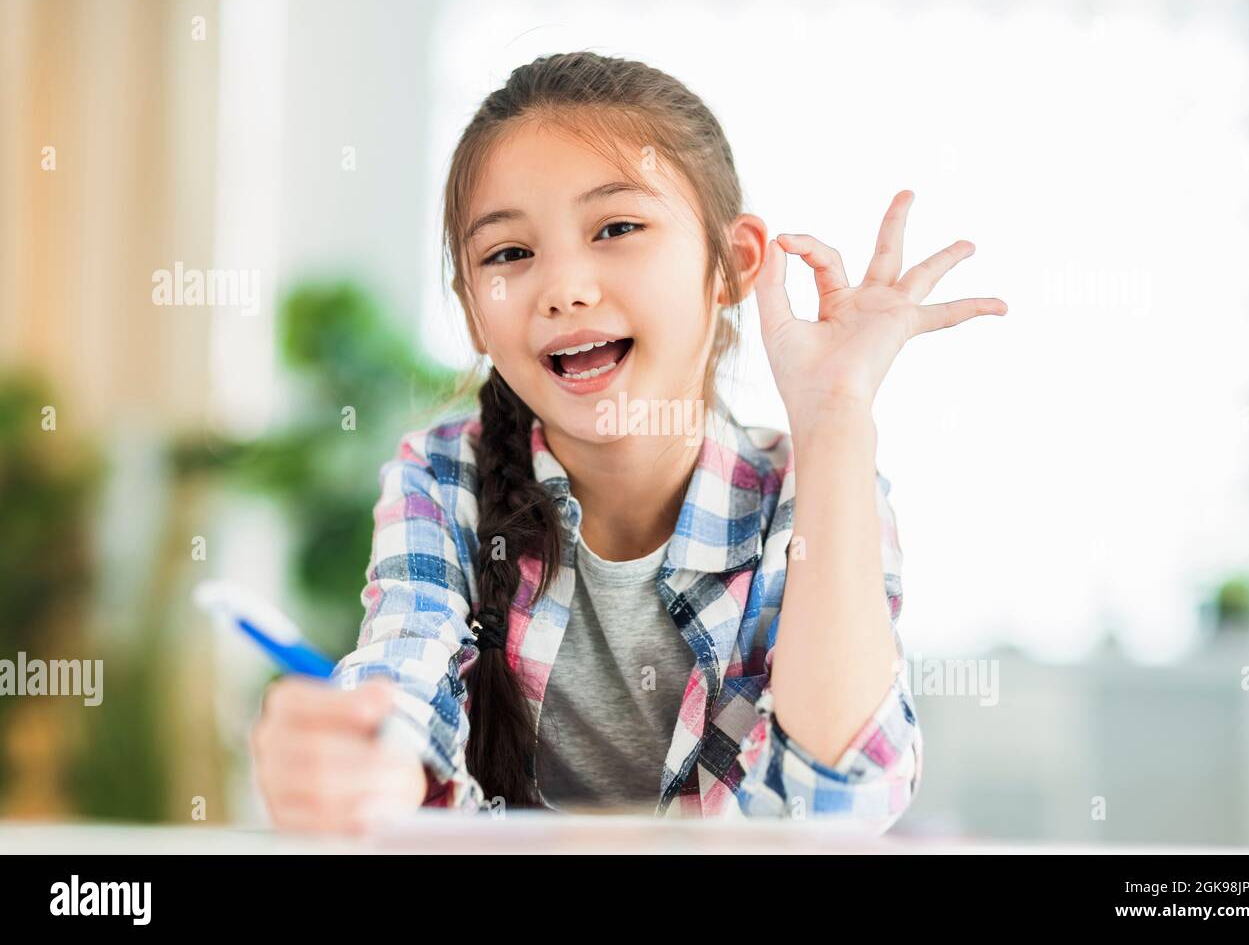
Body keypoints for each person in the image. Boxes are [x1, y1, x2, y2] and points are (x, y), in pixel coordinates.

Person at [250, 50, 1007, 834]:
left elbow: (837, 799)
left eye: (616, 228)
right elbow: (405, 677)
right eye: (510, 253)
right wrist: (372, 762)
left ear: (733, 264)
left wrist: (837, 414)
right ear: (474, 311)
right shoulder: (443, 478)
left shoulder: (818, 491)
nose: (564, 288)